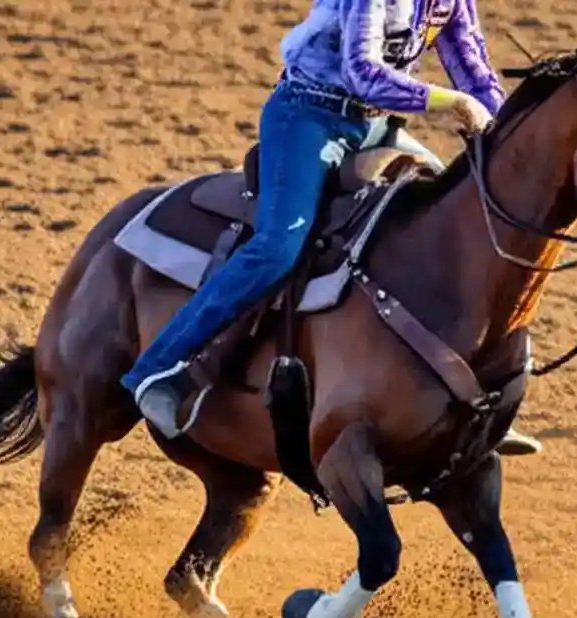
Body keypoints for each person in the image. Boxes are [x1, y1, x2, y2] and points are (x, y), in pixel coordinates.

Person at [120, 0, 542, 455]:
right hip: (307, 116)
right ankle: (158, 370)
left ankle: (475, 412)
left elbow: (474, 70)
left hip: (375, 126)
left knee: (454, 223)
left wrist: (507, 131)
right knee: (277, 247)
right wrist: (450, 102)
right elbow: (363, 72)